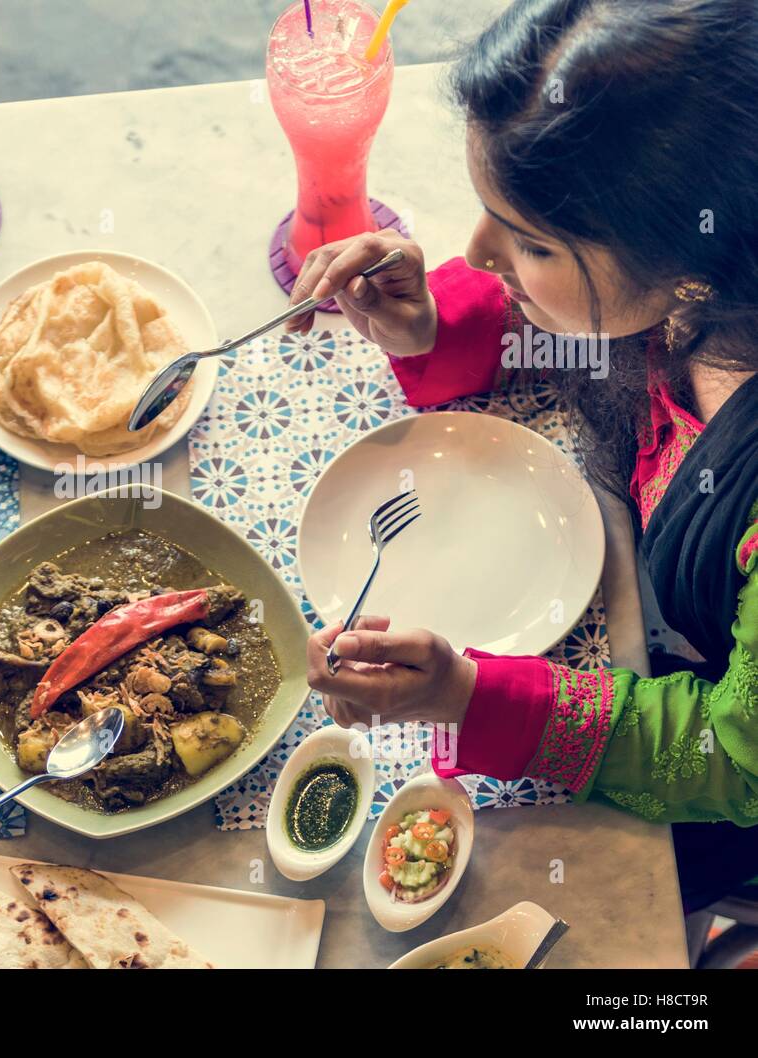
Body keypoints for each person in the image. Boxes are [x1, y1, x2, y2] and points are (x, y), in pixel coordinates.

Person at [294, 0, 758, 912]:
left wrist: (472, 695)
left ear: (698, 263)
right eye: (490, 211)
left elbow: (728, 761)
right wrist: (434, 322)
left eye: (532, 241)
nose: (471, 250)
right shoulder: (701, 283)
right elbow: (586, 318)